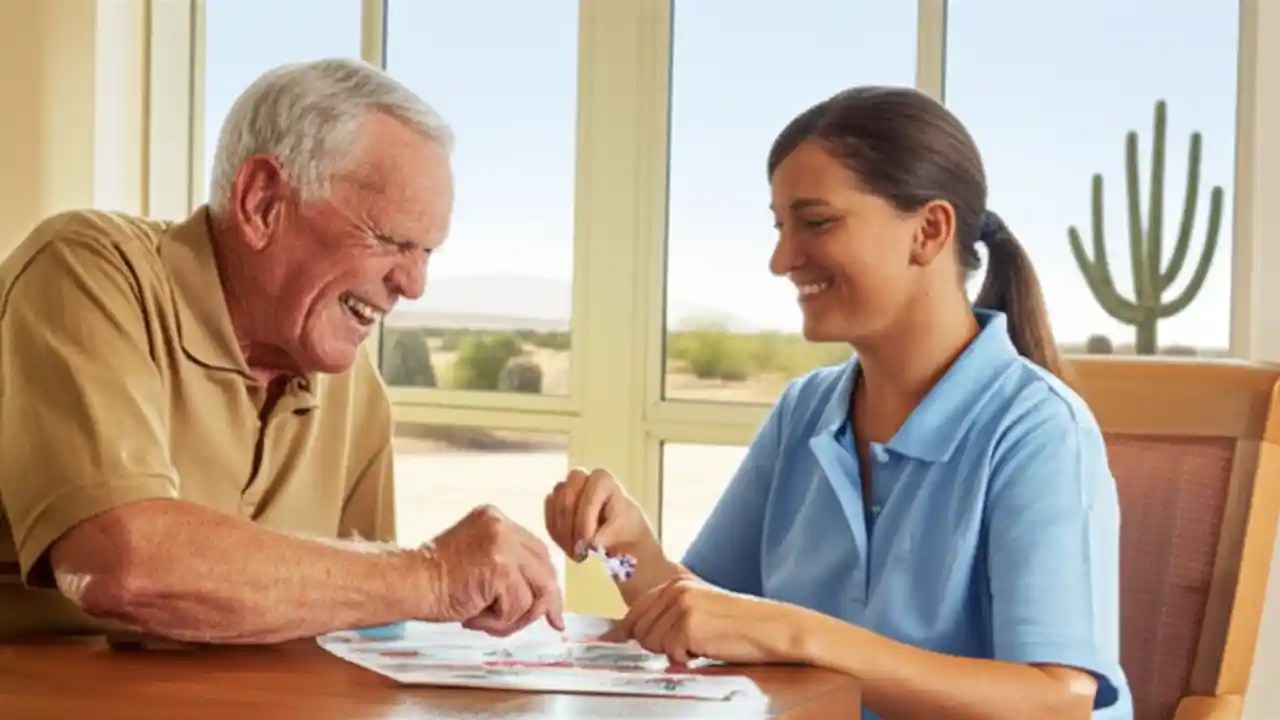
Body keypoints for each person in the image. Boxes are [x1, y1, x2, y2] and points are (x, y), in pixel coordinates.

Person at [545, 86, 1132, 719]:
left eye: (816, 221)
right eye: (779, 226)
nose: (781, 259)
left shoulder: (1038, 430)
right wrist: (628, 545)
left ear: (928, 231)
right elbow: (704, 618)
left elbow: (1057, 700)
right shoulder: (807, 411)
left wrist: (798, 635)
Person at [0, 58, 562, 642]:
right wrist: (433, 575)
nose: (413, 285)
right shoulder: (86, 270)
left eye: (426, 252)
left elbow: (361, 618)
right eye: (391, 240)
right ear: (262, 202)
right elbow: (121, 564)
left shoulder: (351, 381)